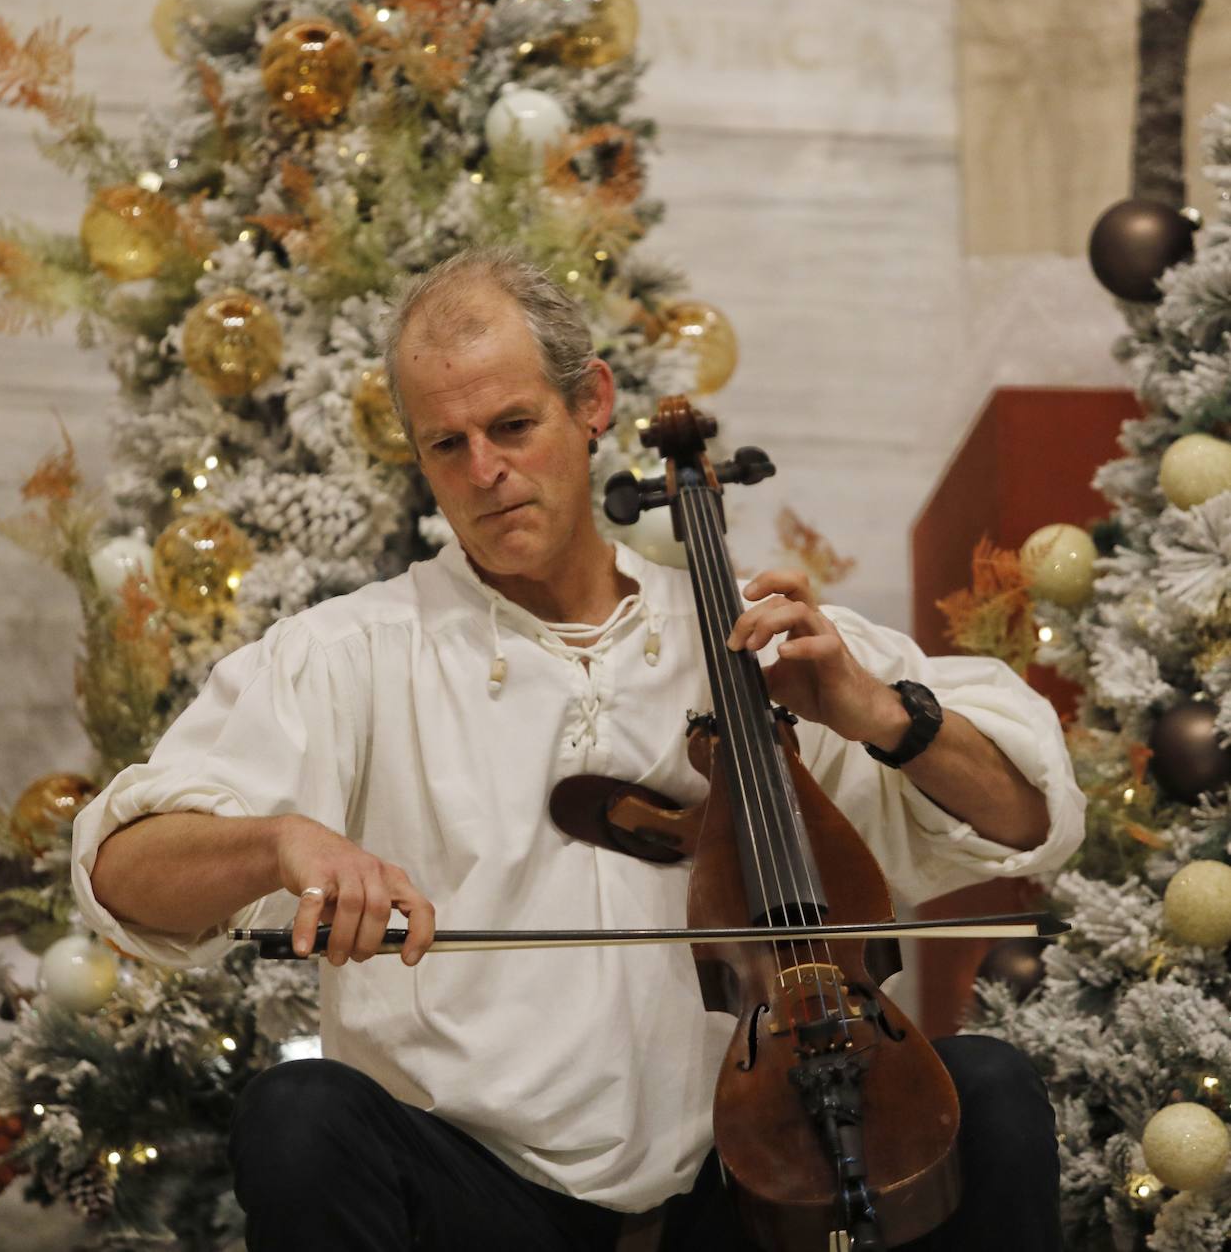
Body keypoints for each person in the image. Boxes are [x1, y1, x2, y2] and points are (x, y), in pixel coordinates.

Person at [72, 248, 1085, 1252]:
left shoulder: (752, 641)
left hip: (746, 1185)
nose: (485, 473)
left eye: (512, 426)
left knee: (990, 1093)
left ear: (591, 403)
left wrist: (881, 715)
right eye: (446, 445)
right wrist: (277, 844)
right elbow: (122, 873)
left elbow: (1027, 819)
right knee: (301, 1118)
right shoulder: (349, 653)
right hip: (472, 1204)